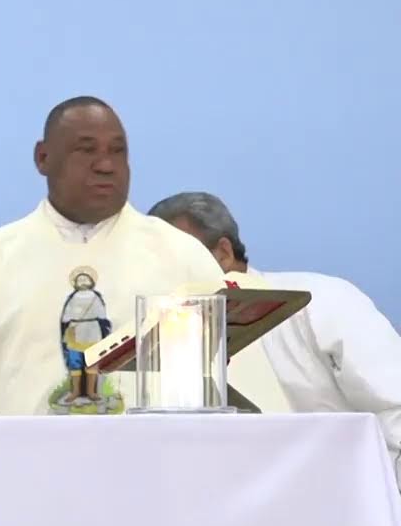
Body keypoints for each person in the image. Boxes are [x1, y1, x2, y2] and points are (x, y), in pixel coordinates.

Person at [0, 96, 284, 418]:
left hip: (154, 491)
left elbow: (248, 406)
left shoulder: (182, 258)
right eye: (85, 150)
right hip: (17, 492)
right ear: (42, 158)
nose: (105, 165)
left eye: (117, 151)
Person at [149, 190, 401, 485]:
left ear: (224, 253)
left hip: (352, 494)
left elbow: (394, 404)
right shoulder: (169, 342)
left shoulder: (320, 301)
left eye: (176, 260)